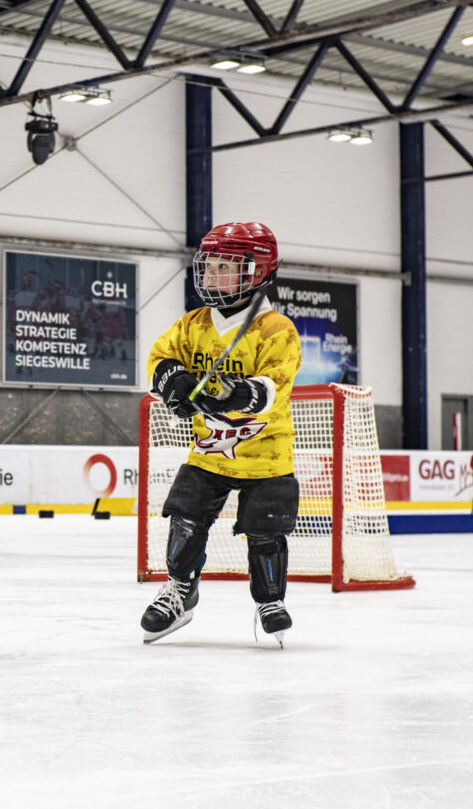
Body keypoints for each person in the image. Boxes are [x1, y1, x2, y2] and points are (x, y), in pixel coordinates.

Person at [139, 222, 302, 646]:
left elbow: (276, 383)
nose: (212, 276)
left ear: (258, 272)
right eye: (209, 266)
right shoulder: (192, 323)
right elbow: (161, 355)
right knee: (186, 517)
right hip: (210, 452)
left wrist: (240, 393)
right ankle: (180, 589)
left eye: (225, 267)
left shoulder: (276, 329)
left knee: (267, 531)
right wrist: (171, 379)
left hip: (266, 455)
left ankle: (270, 600)